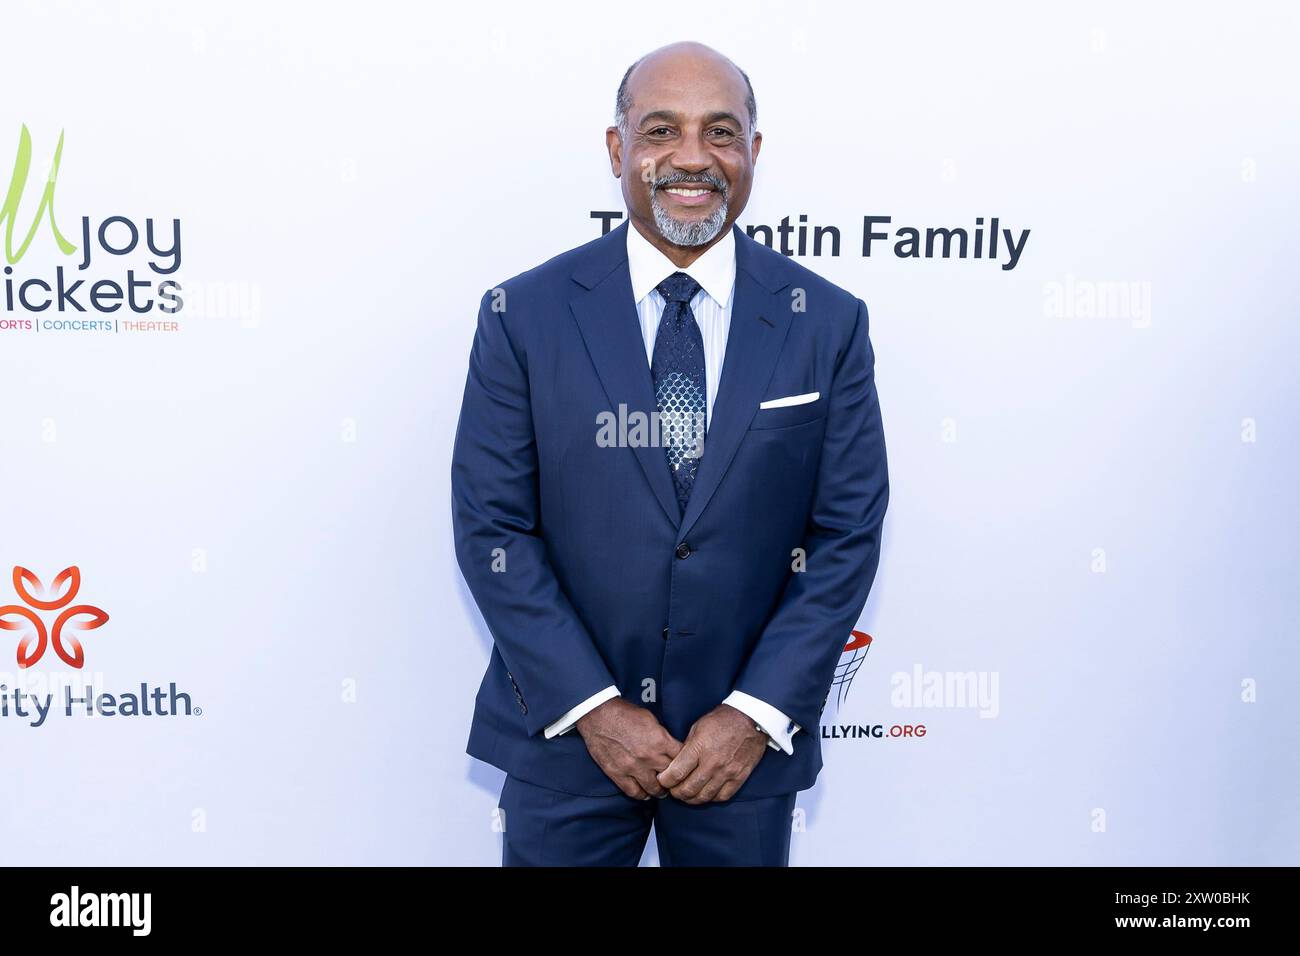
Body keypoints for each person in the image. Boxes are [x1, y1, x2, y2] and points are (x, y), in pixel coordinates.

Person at [451, 40, 889, 866]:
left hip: (743, 759)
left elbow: (846, 539)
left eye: (720, 132)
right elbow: (493, 528)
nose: (693, 157)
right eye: (662, 130)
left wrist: (754, 714)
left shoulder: (826, 322)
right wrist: (594, 710)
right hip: (567, 747)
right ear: (618, 149)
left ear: (753, 152)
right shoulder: (523, 314)